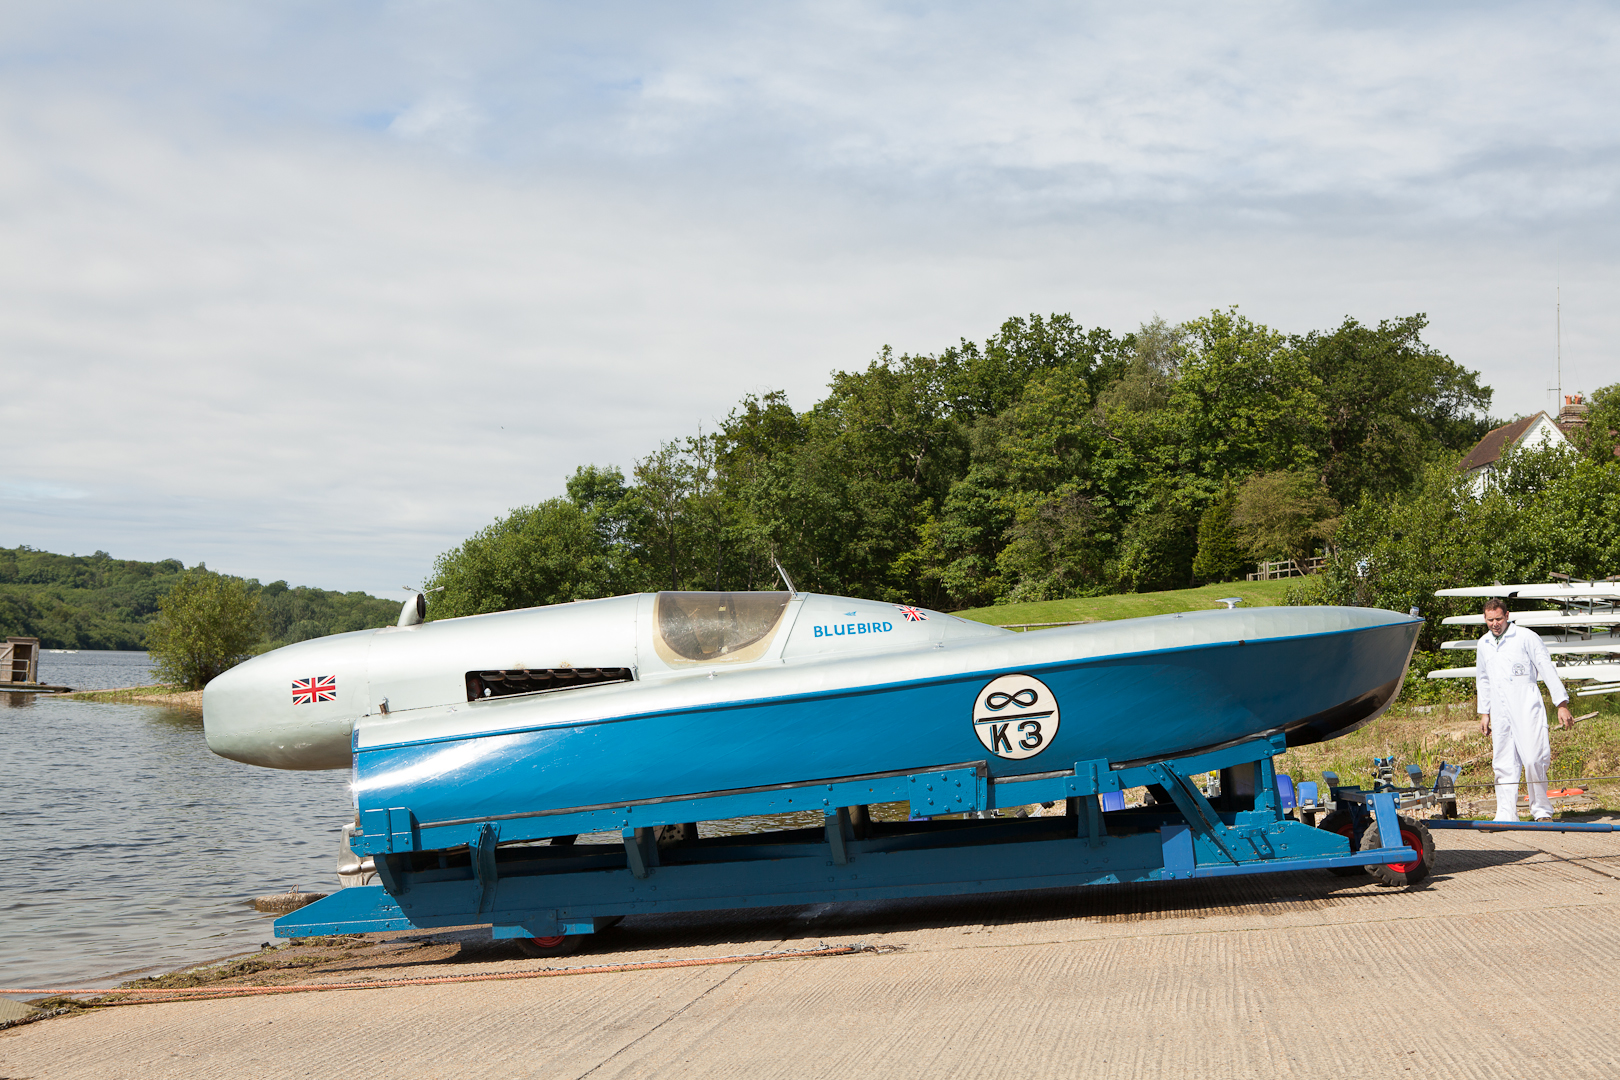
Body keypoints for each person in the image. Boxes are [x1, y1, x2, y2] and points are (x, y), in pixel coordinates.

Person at [1476, 598, 1574, 821]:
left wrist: (1561, 704)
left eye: (1498, 619)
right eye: (1490, 620)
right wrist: (1485, 712)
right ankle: (1505, 814)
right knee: (1503, 762)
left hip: (1526, 704)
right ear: (1485, 619)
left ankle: (1541, 810)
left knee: (1533, 758)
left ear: (1507, 615)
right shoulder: (1483, 644)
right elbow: (1483, 679)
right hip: (1499, 709)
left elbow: (1546, 669)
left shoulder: (1526, 637)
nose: (1495, 624)